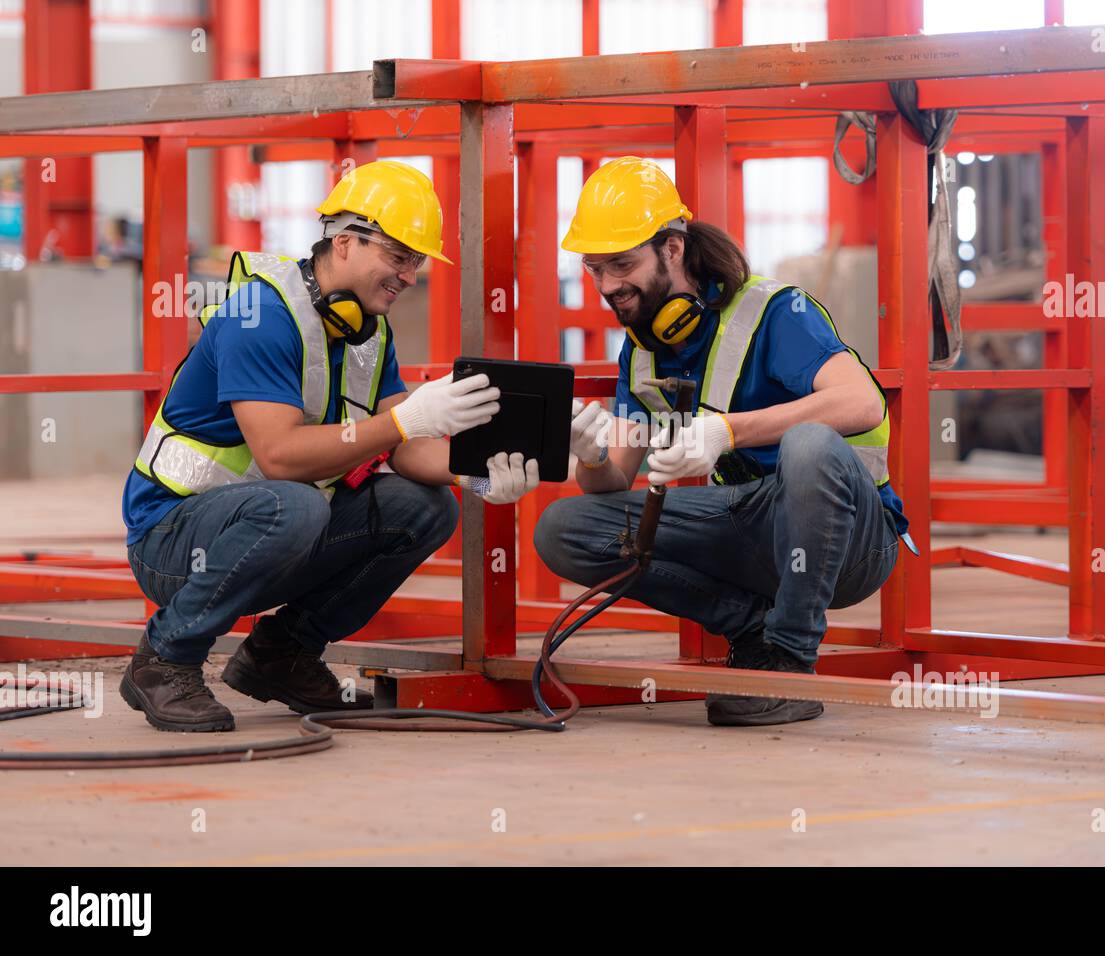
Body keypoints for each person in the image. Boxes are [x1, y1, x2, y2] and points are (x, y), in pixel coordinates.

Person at [121, 160, 538, 732]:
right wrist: (406, 421)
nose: (410, 276)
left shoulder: (368, 328)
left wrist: (474, 471)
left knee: (425, 506)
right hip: (171, 541)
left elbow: (405, 447)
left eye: (415, 262)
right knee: (296, 502)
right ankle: (165, 660)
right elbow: (280, 457)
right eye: (399, 256)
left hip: (273, 532)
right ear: (344, 242)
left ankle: (282, 656)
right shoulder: (260, 315)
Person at [536, 156, 911, 727]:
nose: (608, 286)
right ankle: (752, 629)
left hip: (853, 541)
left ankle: (789, 662)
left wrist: (726, 430)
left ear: (672, 248)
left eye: (620, 264)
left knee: (808, 446)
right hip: (749, 526)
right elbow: (614, 478)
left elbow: (862, 402)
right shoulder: (641, 353)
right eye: (594, 269)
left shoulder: (774, 310)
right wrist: (586, 458)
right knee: (565, 528)